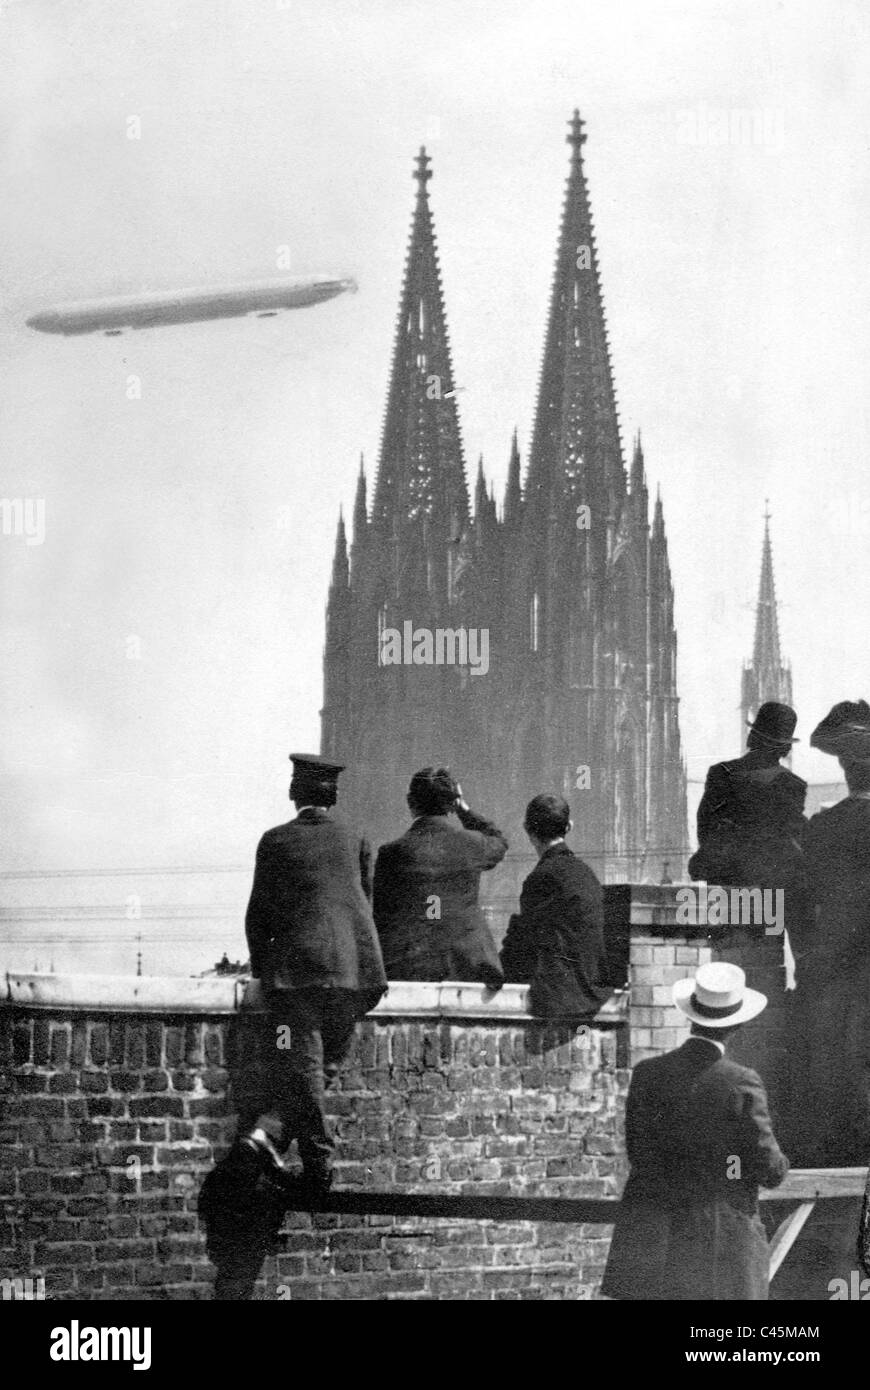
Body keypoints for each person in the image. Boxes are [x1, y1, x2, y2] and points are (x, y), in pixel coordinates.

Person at [601, 962, 789, 1301]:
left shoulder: (647, 1074)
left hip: (653, 1243)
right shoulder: (741, 1081)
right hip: (716, 1248)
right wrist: (738, 1165)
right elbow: (770, 1170)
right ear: (738, 1025)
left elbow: (640, 1155)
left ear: (692, 1015)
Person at [241, 753, 388, 1188]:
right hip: (352, 974)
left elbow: (257, 916)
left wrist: (265, 971)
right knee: (321, 1068)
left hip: (297, 977)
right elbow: (365, 904)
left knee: (304, 1067)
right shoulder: (358, 837)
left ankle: (311, 1162)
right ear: (334, 797)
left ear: (293, 794)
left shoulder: (274, 841)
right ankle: (269, 1135)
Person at [790, 701, 870, 1164]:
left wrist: (810, 957)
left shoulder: (821, 829)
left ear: (844, 766)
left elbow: (798, 907)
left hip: (830, 983)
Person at [373, 767, 506, 987]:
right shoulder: (471, 844)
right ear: (451, 803)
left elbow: (381, 914)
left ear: (410, 801)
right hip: (468, 967)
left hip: (408, 968)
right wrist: (464, 810)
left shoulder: (391, 853)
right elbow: (498, 842)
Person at [500, 794, 612, 1017]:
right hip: (594, 990)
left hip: (561, 996)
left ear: (527, 830)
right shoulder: (586, 874)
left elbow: (523, 945)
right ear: (569, 827)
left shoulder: (542, 877)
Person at [689, 702, 807, 890]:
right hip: (767, 885)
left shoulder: (721, 772)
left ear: (753, 737)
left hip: (723, 879)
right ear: (784, 748)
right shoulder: (792, 784)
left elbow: (705, 827)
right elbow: (791, 840)